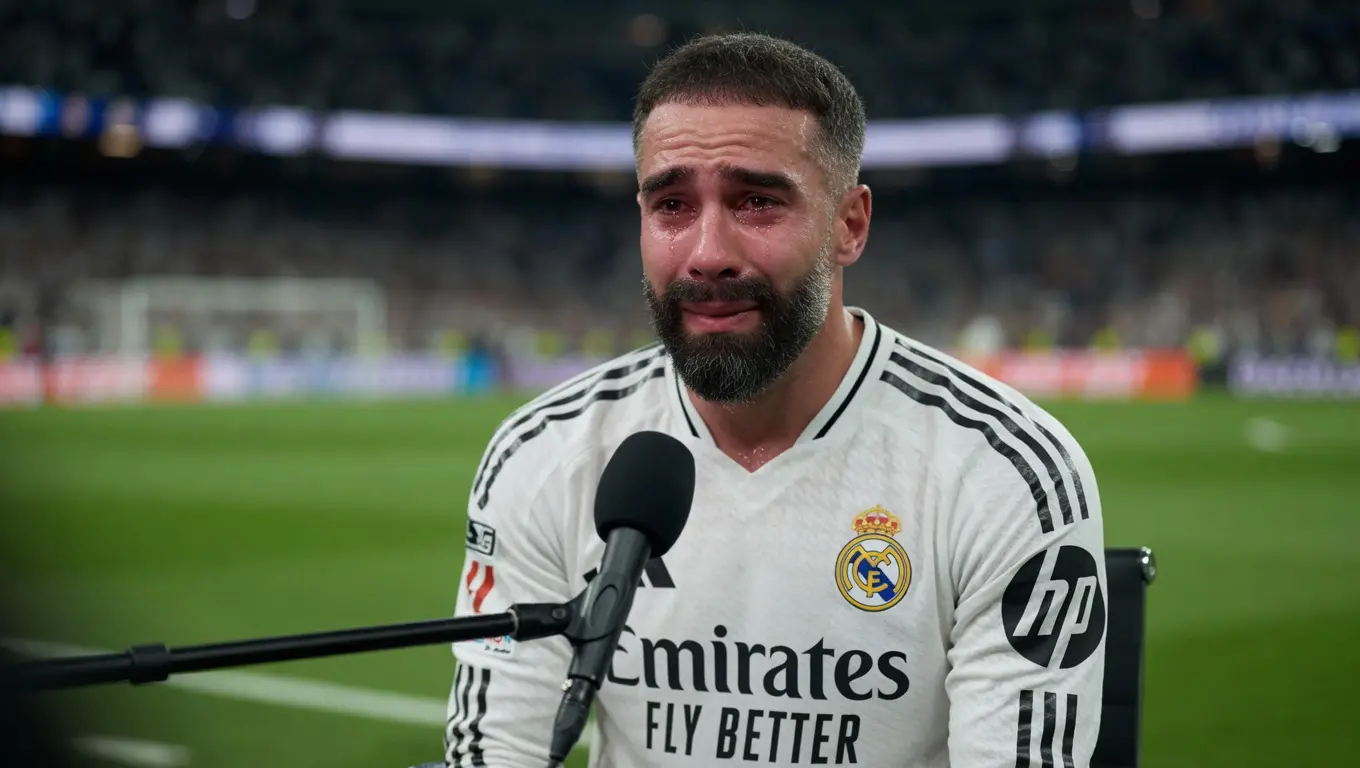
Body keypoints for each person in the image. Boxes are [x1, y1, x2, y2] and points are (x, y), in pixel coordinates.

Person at [444, 33, 1107, 768]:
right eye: (671, 205)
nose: (707, 254)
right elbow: (496, 752)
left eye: (757, 202)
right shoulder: (546, 454)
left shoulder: (1003, 473)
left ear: (850, 224)